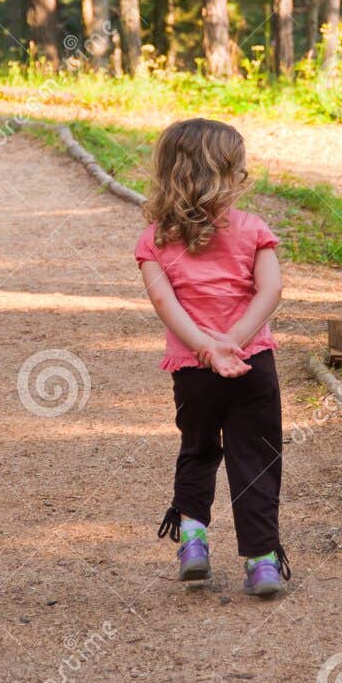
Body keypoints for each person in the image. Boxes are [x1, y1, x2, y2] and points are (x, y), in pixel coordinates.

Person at [135, 118, 290, 598]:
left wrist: (206, 348)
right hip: (251, 364)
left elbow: (166, 305)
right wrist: (235, 341)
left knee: (199, 450)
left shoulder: (155, 241)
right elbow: (272, 289)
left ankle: (194, 543)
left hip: (193, 370)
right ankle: (262, 561)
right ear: (226, 176)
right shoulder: (253, 230)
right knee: (256, 458)